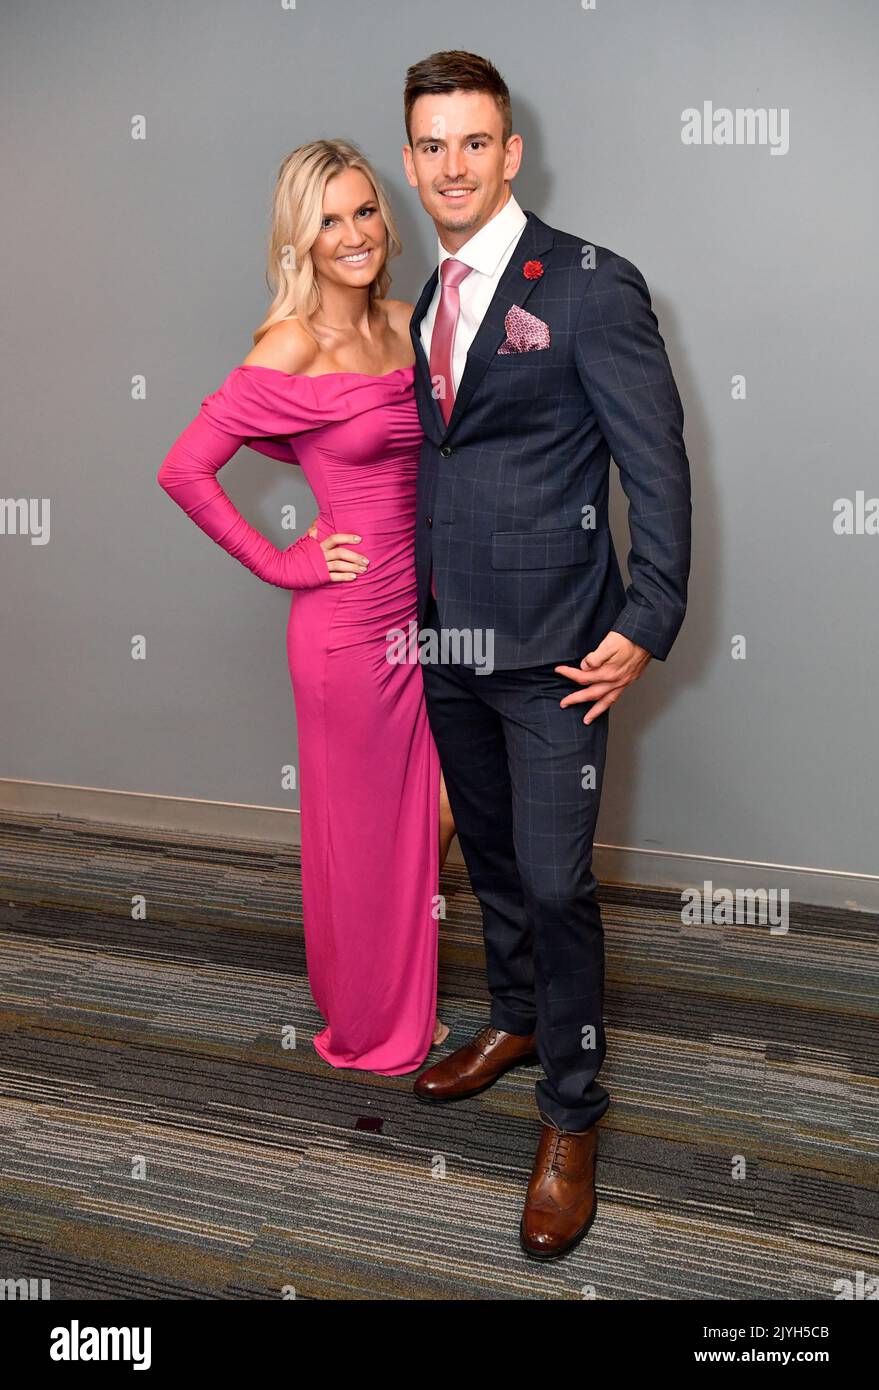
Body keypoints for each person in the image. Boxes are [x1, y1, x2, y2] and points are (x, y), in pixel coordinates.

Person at [402, 51, 692, 1258]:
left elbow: (655, 463)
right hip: (449, 638)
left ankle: (572, 1111)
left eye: (475, 143)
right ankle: (515, 1018)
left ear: (511, 153)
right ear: (412, 157)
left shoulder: (588, 284)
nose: (452, 167)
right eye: (431, 146)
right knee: (502, 864)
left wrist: (646, 618)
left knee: (564, 884)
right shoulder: (431, 293)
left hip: (559, 651)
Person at [157, 140, 457, 1075]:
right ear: (301, 239)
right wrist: (283, 563)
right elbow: (184, 469)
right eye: (329, 219)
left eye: (365, 210)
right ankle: (372, 1025)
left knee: (441, 812)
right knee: (366, 837)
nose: (355, 233)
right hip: (347, 633)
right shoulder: (289, 344)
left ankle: (393, 988)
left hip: (433, 617)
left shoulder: (415, 323)